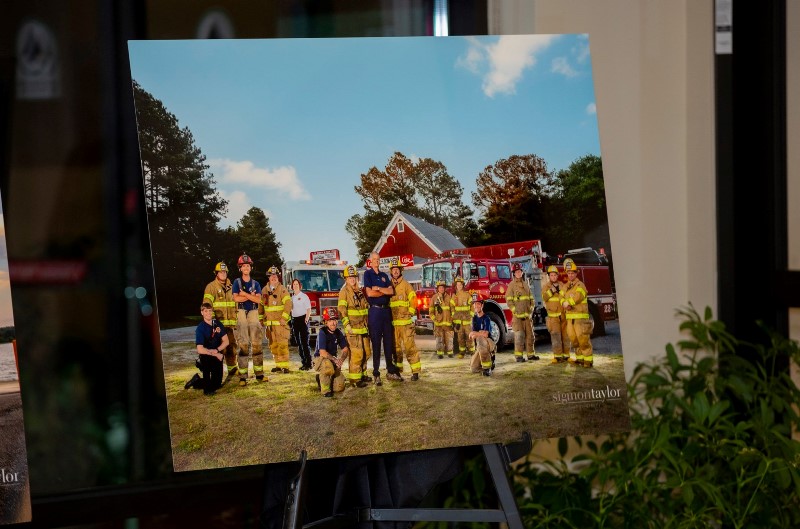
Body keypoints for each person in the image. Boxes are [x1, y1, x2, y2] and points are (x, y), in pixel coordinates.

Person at [363, 252, 403, 384]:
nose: (376, 261)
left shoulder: (384, 275)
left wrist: (378, 288)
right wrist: (381, 291)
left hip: (386, 312)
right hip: (375, 312)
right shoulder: (367, 274)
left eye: (378, 259)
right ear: (370, 261)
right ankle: (376, 373)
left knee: (388, 343)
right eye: (374, 259)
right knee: (376, 343)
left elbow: (391, 291)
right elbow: (369, 293)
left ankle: (390, 371)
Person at [202, 261, 239, 378]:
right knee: (218, 349)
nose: (223, 274)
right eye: (220, 272)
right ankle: (216, 373)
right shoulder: (211, 287)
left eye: (224, 272)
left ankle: (232, 369)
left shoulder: (233, 287)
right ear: (216, 273)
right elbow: (207, 306)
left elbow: (237, 305)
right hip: (217, 326)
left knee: (231, 347)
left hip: (231, 326)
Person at [232, 253, 265, 385]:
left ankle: (259, 374)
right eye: (243, 266)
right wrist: (250, 296)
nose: (246, 268)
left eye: (247, 265)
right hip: (241, 312)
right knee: (243, 344)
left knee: (256, 343)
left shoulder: (256, 283)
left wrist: (244, 294)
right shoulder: (236, 282)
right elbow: (235, 298)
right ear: (240, 268)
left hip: (253, 311)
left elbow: (258, 299)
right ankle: (243, 377)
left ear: (251, 268)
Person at [337, 265, 372, 388]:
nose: (352, 279)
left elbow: (365, 307)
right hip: (352, 329)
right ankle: (355, 380)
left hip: (363, 328)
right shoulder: (344, 292)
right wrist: (346, 324)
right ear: (346, 279)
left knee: (367, 353)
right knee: (357, 355)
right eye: (350, 277)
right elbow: (341, 310)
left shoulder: (359, 291)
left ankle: (362, 374)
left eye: (354, 277)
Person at [389, 258, 421, 381]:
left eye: (397, 269)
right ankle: (398, 372)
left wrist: (411, 315)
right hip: (394, 325)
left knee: (410, 348)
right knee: (396, 350)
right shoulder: (388, 285)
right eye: (394, 269)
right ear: (391, 271)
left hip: (406, 324)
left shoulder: (406, 285)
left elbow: (414, 300)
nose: (396, 271)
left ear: (401, 271)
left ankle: (415, 372)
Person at [189, 303, 229, 395]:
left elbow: (226, 341)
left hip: (217, 353)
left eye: (210, 311)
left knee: (217, 384)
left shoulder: (218, 324)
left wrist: (218, 350)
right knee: (209, 386)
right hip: (206, 355)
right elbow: (200, 349)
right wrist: (216, 353)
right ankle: (206, 390)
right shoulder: (200, 328)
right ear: (202, 313)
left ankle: (196, 381)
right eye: (206, 311)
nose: (208, 313)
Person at [562, 258, 594, 367]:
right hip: (570, 318)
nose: (571, 275)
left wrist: (569, 303)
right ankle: (580, 359)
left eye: (573, 273)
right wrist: (563, 303)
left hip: (580, 318)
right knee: (573, 339)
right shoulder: (565, 286)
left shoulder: (580, 285)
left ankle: (588, 361)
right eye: (569, 273)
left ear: (576, 273)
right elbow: (561, 297)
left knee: (583, 339)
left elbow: (578, 297)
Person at [506, 262, 539, 362]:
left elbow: (531, 298)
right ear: (514, 273)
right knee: (519, 337)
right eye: (516, 272)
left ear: (522, 272)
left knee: (530, 337)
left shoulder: (526, 284)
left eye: (520, 271)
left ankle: (531, 355)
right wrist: (515, 311)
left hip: (527, 317)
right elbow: (508, 300)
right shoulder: (511, 285)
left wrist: (531, 309)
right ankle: (519, 357)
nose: (518, 273)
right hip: (517, 317)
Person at [263, 266, 293, 373]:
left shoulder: (283, 289)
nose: (274, 278)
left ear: (278, 277)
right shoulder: (264, 290)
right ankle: (278, 365)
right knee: (273, 346)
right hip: (270, 325)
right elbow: (261, 306)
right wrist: (261, 319)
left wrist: (284, 318)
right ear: (269, 277)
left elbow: (288, 304)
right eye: (271, 276)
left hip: (281, 324)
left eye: (275, 276)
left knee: (282, 345)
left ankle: (285, 366)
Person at [313, 310, 349, 397]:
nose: (333, 323)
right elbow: (322, 352)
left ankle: (327, 379)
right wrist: (335, 360)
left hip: (332, 359)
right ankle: (325, 390)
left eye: (334, 320)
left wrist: (341, 360)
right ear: (325, 322)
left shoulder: (338, 332)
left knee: (339, 387)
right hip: (320, 359)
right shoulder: (322, 332)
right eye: (330, 321)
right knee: (327, 366)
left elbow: (345, 349)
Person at [542, 265, 569, 363]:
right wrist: (552, 291)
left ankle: (566, 355)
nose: (553, 277)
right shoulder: (546, 286)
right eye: (551, 275)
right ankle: (558, 356)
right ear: (549, 276)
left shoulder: (562, 285)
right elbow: (544, 298)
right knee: (556, 337)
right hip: (553, 317)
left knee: (565, 336)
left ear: (557, 276)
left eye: (555, 275)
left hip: (563, 315)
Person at [468, 293, 496, 376]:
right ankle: (490, 362)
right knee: (474, 369)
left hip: (489, 344)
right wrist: (479, 333)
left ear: (482, 305)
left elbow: (486, 335)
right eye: (475, 304)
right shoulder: (474, 319)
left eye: (478, 304)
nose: (476, 306)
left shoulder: (486, 318)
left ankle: (487, 368)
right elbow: (473, 337)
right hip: (480, 346)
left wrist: (476, 333)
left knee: (480, 338)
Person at [290, 278, 313, 370]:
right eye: (294, 284)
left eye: (297, 284)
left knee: (304, 342)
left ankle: (309, 363)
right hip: (295, 320)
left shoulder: (304, 296)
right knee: (298, 343)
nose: (295, 286)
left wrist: (306, 319)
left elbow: (308, 309)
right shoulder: (291, 298)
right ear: (292, 286)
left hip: (303, 319)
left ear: (300, 286)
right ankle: (303, 362)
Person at [451, 276, 474, 359]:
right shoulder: (454, 296)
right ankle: (462, 352)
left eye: (460, 284)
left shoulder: (467, 295)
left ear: (463, 285)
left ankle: (472, 352)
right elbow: (452, 307)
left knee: (469, 338)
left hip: (467, 322)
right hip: (459, 322)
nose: (459, 286)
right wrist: (454, 316)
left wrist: (471, 315)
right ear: (456, 286)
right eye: (458, 285)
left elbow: (472, 306)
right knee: (460, 338)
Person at [431, 280, 454, 359]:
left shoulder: (449, 297)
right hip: (438, 324)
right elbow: (431, 311)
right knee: (439, 339)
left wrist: (452, 319)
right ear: (437, 288)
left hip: (448, 323)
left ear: (445, 288)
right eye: (440, 287)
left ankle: (450, 353)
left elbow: (453, 310)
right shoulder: (434, 298)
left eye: (443, 287)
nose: (441, 289)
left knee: (449, 339)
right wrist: (435, 320)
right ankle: (440, 353)